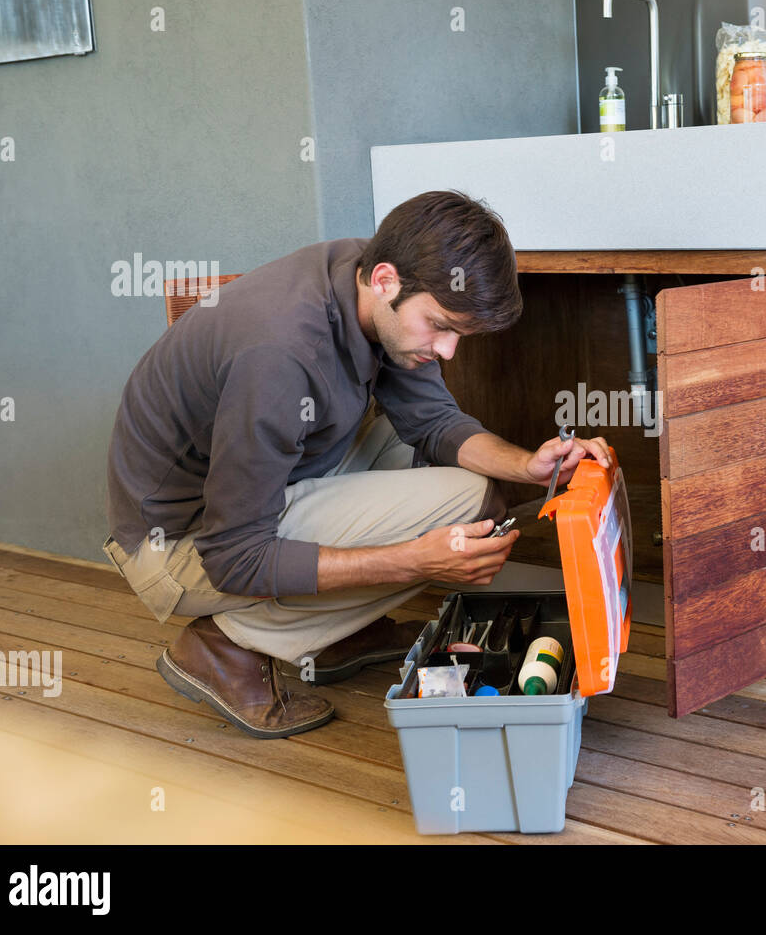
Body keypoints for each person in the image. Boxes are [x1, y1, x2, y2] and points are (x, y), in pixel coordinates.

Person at [101, 190, 610, 738]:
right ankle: (225, 649)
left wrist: (528, 465)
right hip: (182, 547)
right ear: (387, 280)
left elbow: (433, 422)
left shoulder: (368, 274)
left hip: (272, 484)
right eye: (440, 326)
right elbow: (234, 558)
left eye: (459, 334)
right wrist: (414, 562)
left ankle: (334, 628)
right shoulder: (279, 353)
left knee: (470, 476)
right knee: (465, 508)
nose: (448, 352)